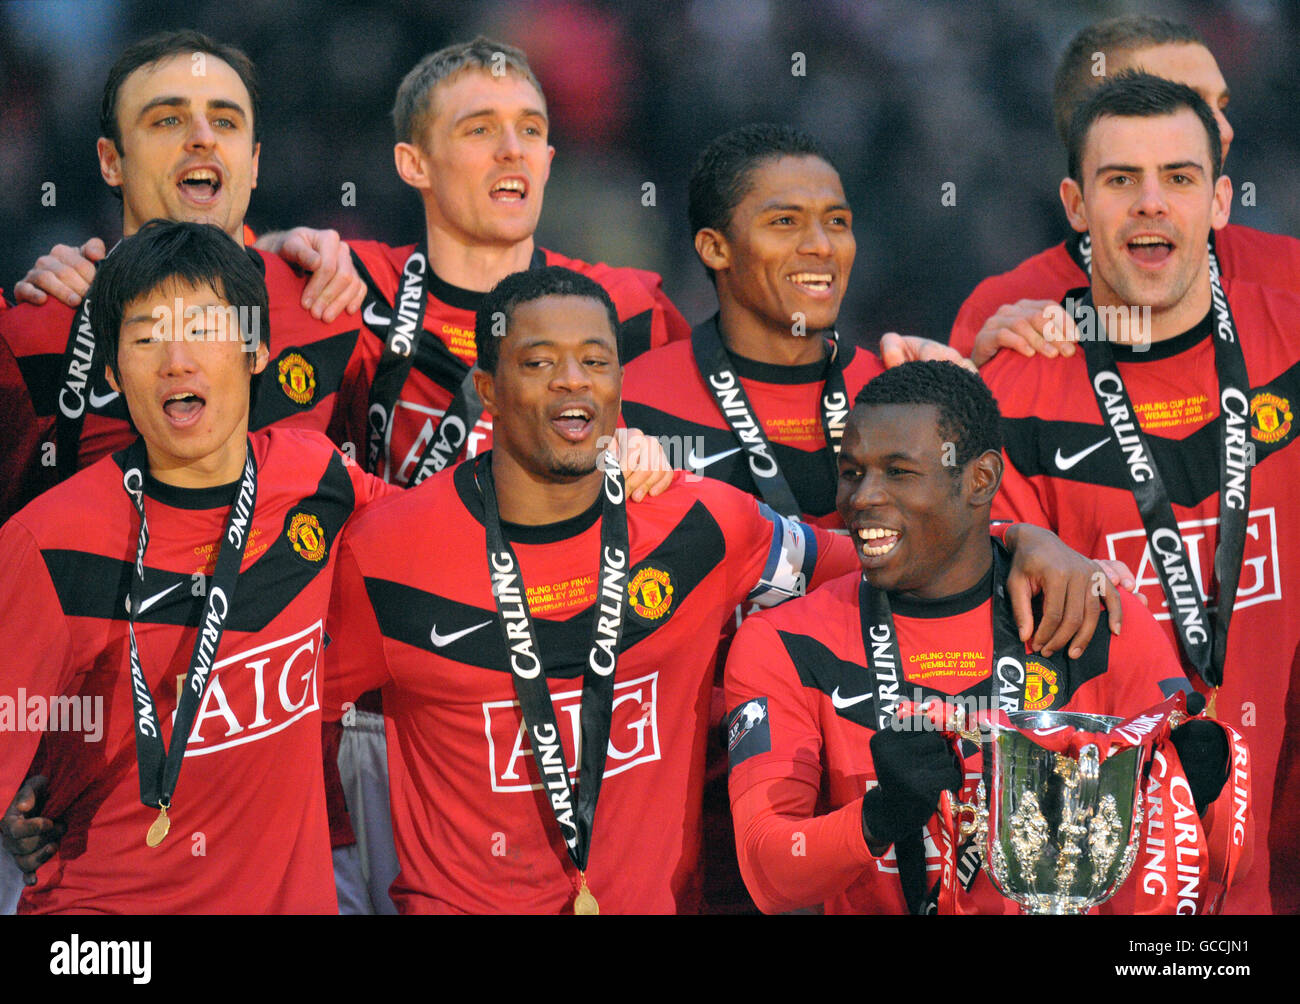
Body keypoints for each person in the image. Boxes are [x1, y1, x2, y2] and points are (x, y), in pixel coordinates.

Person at [320, 267, 1118, 913]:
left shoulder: (702, 524)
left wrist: (1019, 540)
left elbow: (884, 554)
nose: (574, 384)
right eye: (538, 363)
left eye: (596, 361)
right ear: (488, 393)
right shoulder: (387, 551)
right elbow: (294, 725)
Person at [725, 361, 1245, 914]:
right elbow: (767, 870)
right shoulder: (782, 643)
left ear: (980, 479)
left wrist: (1203, 796)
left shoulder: (1090, 616)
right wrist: (878, 818)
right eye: (852, 472)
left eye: (898, 472)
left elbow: (1228, 858)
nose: (861, 498)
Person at [0, 220, 394, 913]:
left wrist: (628, 466)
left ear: (257, 351)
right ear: (114, 373)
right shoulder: (47, 545)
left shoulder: (319, 481)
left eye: (207, 329)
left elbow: (472, 537)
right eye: (148, 337)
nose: (178, 359)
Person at [981, 73, 1299, 913]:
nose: (1152, 204)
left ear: (1222, 201)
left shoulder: (1293, 346)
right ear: (1076, 205)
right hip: (1114, 879)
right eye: (1121, 180)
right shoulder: (1013, 399)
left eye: (1180, 178)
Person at [0, 30, 370, 525]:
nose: (203, 136)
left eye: (225, 120)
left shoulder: (334, 304)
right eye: (167, 119)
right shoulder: (35, 334)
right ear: (111, 161)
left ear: (254, 162)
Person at [327, 37, 691, 491]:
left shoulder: (631, 308)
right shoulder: (350, 286)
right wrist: (287, 241)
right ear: (414, 164)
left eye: (531, 130)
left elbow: (716, 462)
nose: (513, 149)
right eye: (480, 129)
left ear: (547, 162)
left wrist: (661, 459)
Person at [622, 123, 970, 530]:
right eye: (785, 221)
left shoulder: (905, 398)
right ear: (716, 248)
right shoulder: (632, 404)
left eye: (837, 221)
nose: (822, 245)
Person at [951, 15, 1300, 365]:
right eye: (1186, 104)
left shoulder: (1288, 274)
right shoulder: (1003, 312)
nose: (1224, 131)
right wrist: (985, 382)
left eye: (1220, 107)